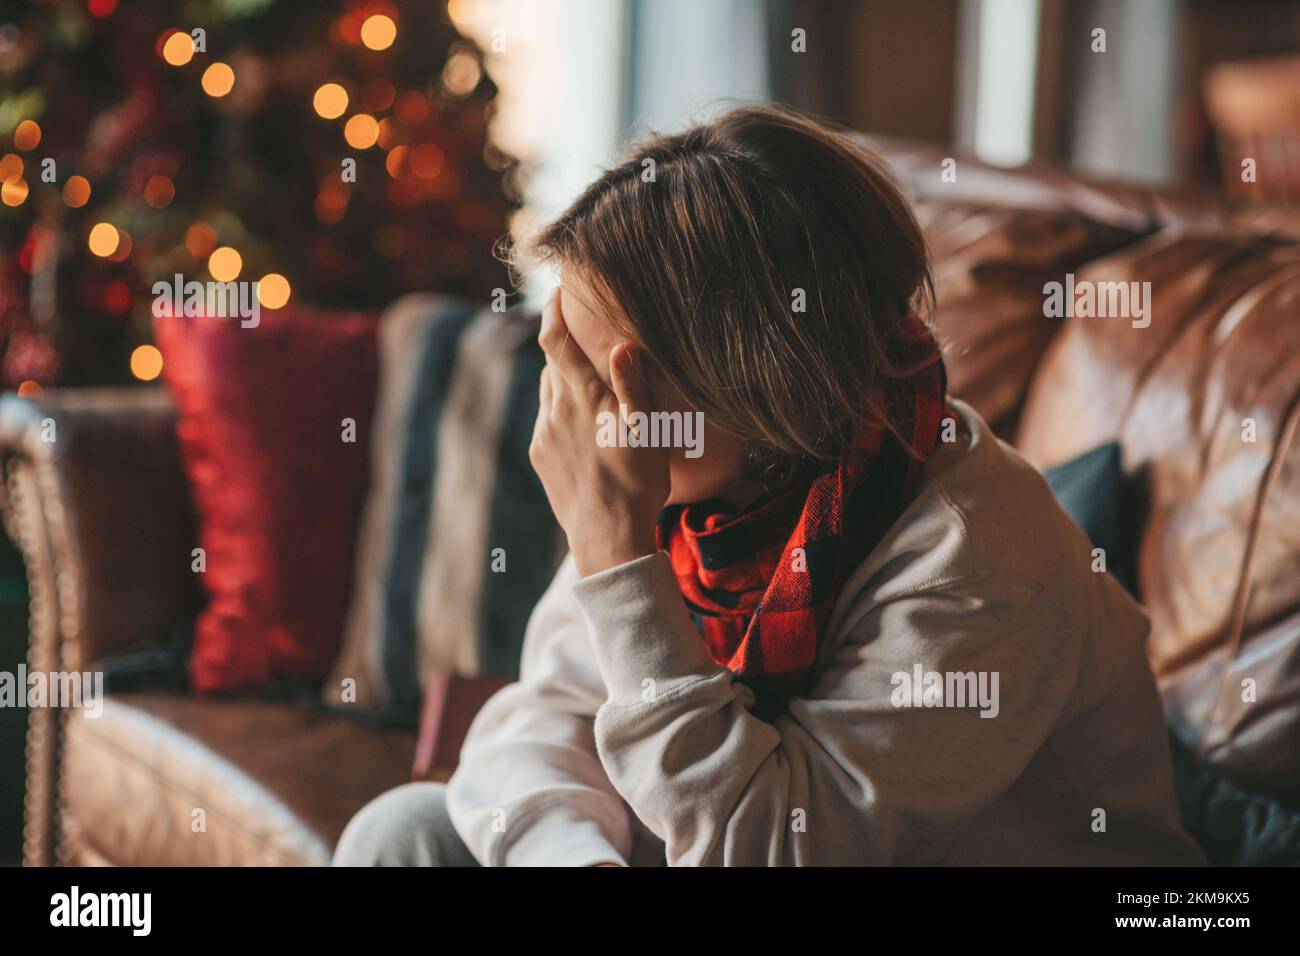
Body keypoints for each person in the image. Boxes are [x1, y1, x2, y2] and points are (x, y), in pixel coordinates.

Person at [334, 104, 1205, 867]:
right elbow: (550, 715)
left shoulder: (972, 559)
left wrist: (614, 561)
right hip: (718, 823)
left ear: (751, 381)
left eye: (601, 376)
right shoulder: (710, 500)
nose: (571, 416)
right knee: (406, 833)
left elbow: (769, 849)